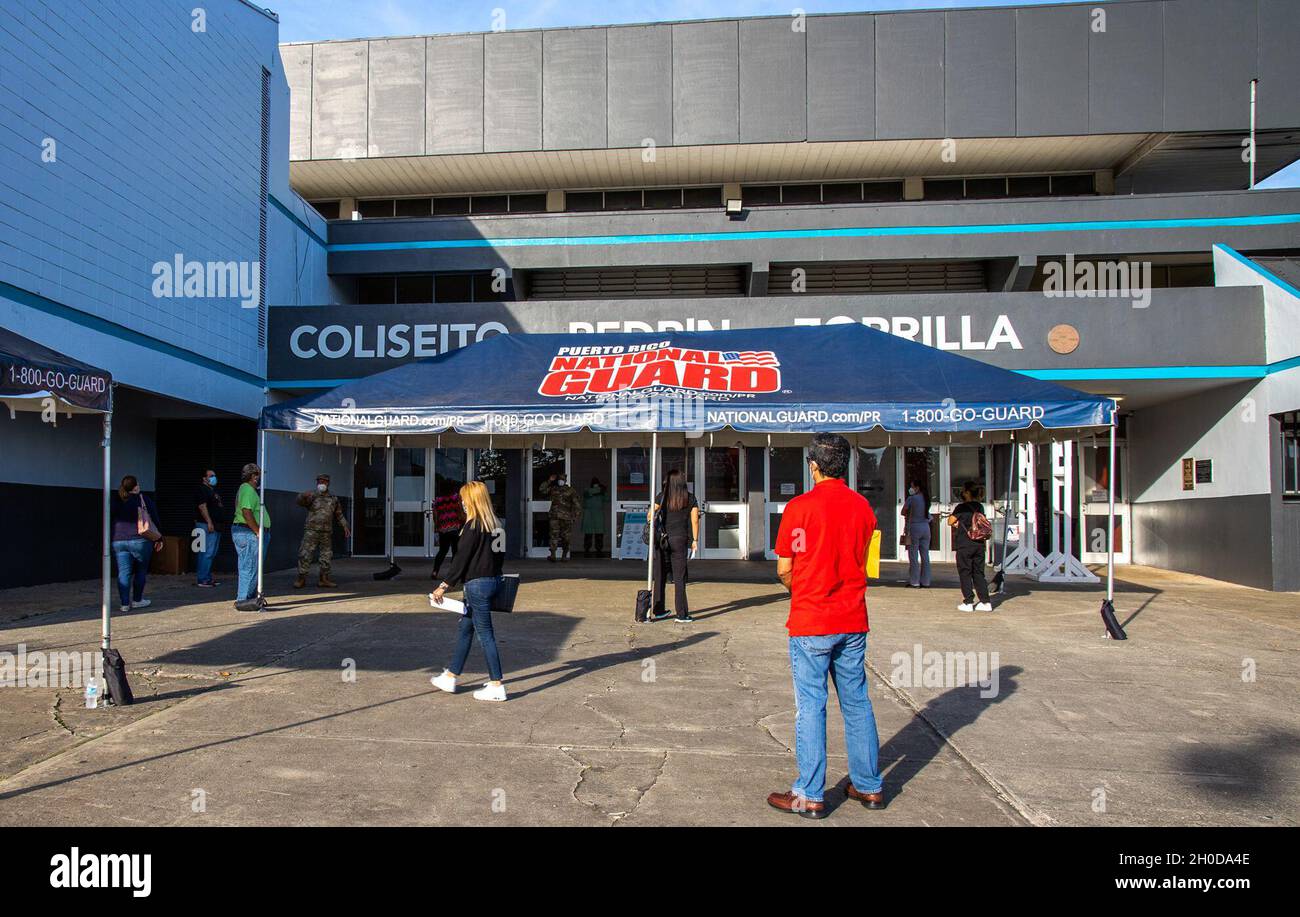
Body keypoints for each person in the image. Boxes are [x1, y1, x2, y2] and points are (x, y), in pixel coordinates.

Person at [769, 433, 884, 819]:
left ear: (813, 465)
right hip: (852, 619)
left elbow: (785, 568)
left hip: (811, 619)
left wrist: (803, 590)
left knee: (811, 707)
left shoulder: (799, 509)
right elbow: (863, 561)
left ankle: (810, 791)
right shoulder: (863, 508)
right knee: (856, 703)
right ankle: (869, 785)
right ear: (845, 465)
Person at [429, 480, 509, 702]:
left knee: (486, 635)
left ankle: (496, 684)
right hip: (492, 582)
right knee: (466, 629)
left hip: (476, 586)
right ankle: (451, 675)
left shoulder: (472, 527)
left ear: (472, 500)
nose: (462, 502)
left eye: (464, 498)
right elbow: (500, 556)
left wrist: (444, 585)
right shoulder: (496, 525)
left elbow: (460, 560)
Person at [651, 469, 699, 623]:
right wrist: (695, 540)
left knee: (660, 575)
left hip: (662, 539)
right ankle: (682, 614)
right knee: (679, 577)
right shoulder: (690, 498)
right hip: (680, 539)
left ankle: (658, 610)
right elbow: (695, 521)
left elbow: (650, 515)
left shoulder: (662, 497)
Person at [110, 475, 161, 612]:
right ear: (135, 486)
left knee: (123, 573)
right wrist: (158, 538)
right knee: (140, 570)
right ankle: (137, 600)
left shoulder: (116, 500)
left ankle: (124, 604)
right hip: (140, 540)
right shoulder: (143, 499)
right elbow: (155, 518)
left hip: (118, 540)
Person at [294, 473, 350, 589]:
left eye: (323, 481)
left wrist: (345, 526)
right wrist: (303, 495)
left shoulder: (333, 498)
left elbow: (339, 514)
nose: (321, 483)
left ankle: (324, 579)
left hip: (326, 532)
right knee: (305, 554)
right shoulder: (311, 495)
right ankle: (301, 579)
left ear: (328, 483)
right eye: (319, 481)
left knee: (326, 556)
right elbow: (299, 502)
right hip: (311, 531)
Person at [948, 481, 993, 612]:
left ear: (967, 493)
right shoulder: (980, 507)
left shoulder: (961, 507)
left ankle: (968, 602)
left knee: (965, 573)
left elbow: (950, 521)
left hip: (965, 544)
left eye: (963, 491)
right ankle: (985, 602)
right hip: (979, 544)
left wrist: (957, 523)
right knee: (979, 573)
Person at [231, 463, 270, 612]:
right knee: (250, 566)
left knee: (251, 565)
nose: (260, 478)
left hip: (247, 532)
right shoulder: (247, 489)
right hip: (248, 533)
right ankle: (244, 600)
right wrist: (257, 531)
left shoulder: (246, 490)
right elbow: (246, 512)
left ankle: (249, 598)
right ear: (253, 476)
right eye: (258, 475)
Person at [539, 472, 582, 562]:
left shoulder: (570, 491)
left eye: (562, 480)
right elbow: (542, 490)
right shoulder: (554, 489)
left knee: (566, 537)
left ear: (565, 480)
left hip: (566, 518)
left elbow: (577, 504)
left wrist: (575, 516)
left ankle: (564, 555)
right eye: (559, 480)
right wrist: (549, 481)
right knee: (553, 535)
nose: (560, 481)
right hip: (554, 516)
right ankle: (553, 555)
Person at [194, 468, 224, 588]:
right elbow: (202, 506)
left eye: (214, 475)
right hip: (206, 525)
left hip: (215, 525)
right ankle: (203, 578)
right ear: (204, 478)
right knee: (206, 552)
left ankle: (207, 577)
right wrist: (209, 522)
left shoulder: (212, 491)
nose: (213, 478)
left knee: (211, 552)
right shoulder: (202, 490)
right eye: (211, 476)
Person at [901, 479, 932, 588]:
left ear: (917, 488)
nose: (911, 489)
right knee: (925, 555)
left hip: (914, 527)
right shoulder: (926, 499)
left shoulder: (912, 499)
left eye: (912, 486)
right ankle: (926, 581)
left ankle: (914, 581)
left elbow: (903, 511)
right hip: (926, 528)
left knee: (913, 555)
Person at [431, 488, 465, 581]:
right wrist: (463, 521)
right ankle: (455, 574)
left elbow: (435, 514)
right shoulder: (455, 498)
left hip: (443, 529)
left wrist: (437, 525)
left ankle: (435, 571)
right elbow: (460, 511)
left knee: (442, 551)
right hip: (455, 528)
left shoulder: (438, 500)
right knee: (456, 552)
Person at [581, 477, 609, 557]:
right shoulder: (587, 490)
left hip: (596, 515)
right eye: (595, 484)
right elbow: (587, 493)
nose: (596, 485)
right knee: (589, 535)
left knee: (598, 534)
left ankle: (598, 550)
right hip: (590, 515)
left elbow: (607, 499)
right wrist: (600, 489)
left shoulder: (600, 492)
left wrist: (604, 492)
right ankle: (587, 550)